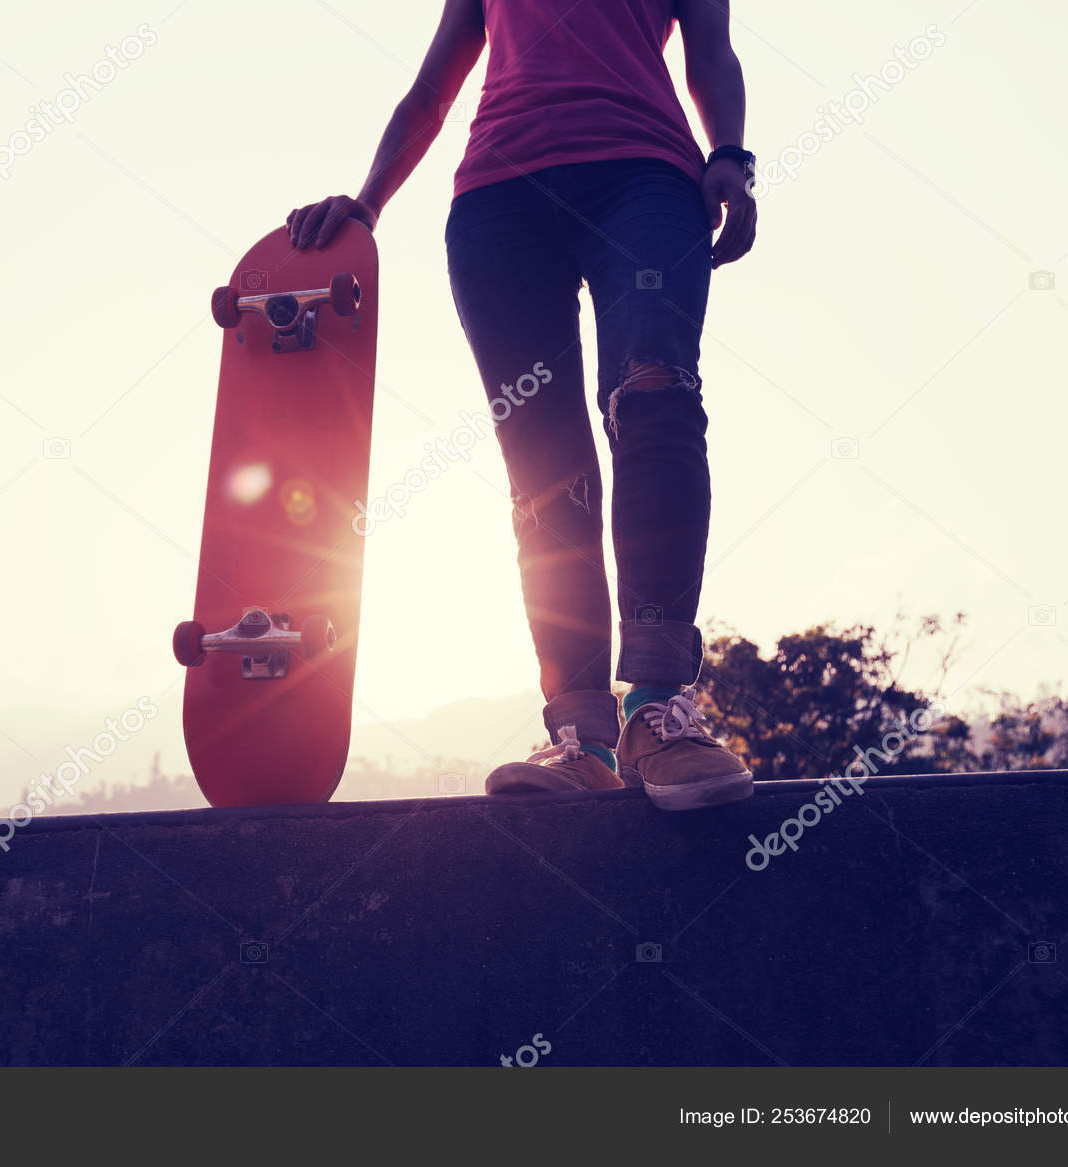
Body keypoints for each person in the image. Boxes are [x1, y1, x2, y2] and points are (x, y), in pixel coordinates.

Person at [289, 0, 757, 810]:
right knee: (543, 462)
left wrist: (730, 154)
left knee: (655, 393)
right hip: (498, 203)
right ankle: (582, 736)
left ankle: (659, 707)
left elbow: (711, 51)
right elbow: (433, 88)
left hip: (645, 177)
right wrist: (367, 204)